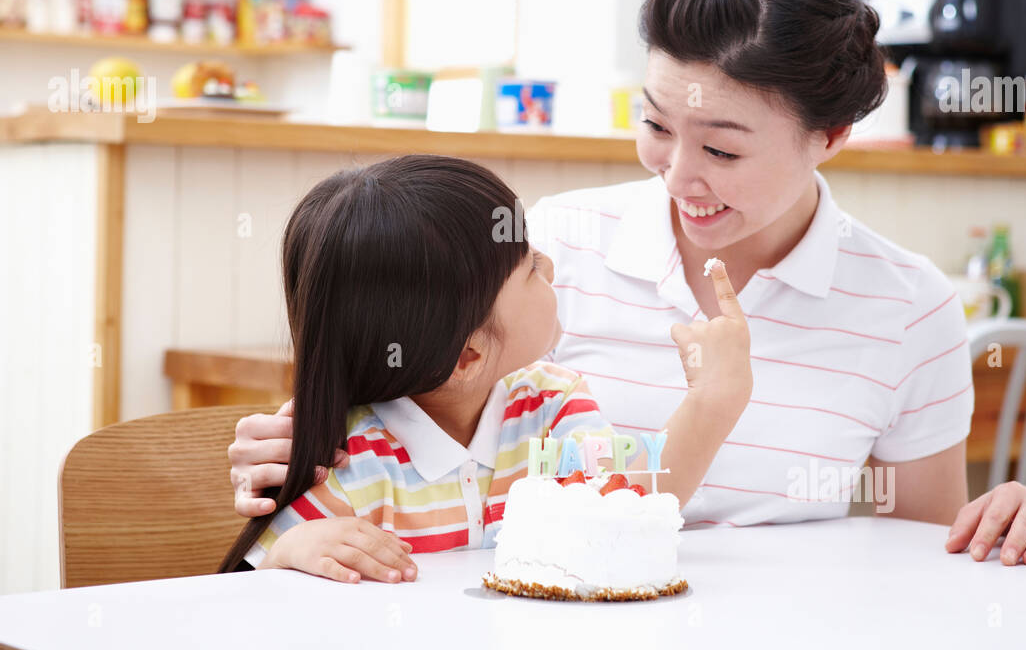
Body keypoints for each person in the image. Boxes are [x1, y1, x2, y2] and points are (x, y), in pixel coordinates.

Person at [229, 0, 1026, 568]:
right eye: (656, 125)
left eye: (722, 149)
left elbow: (920, 551)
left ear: (830, 135)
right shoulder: (544, 251)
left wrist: (1005, 520)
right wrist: (297, 454)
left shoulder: (909, 306)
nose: (678, 174)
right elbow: (405, 416)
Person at [218, 154, 752, 581]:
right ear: (468, 356)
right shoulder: (353, 460)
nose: (549, 264)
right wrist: (290, 553)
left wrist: (712, 402)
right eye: (528, 269)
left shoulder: (551, 402)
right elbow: (252, 609)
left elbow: (628, 506)